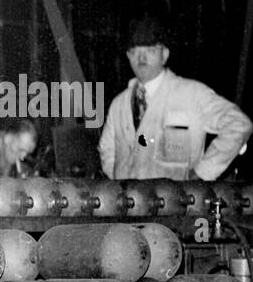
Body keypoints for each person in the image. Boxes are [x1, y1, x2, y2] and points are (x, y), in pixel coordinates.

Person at [99, 15, 251, 181]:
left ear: (164, 55)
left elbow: (238, 124)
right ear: (128, 56)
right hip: (130, 203)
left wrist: (203, 173)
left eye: (150, 50)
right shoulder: (118, 104)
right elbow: (107, 149)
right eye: (135, 52)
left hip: (178, 203)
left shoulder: (191, 94)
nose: (141, 59)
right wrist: (119, 180)